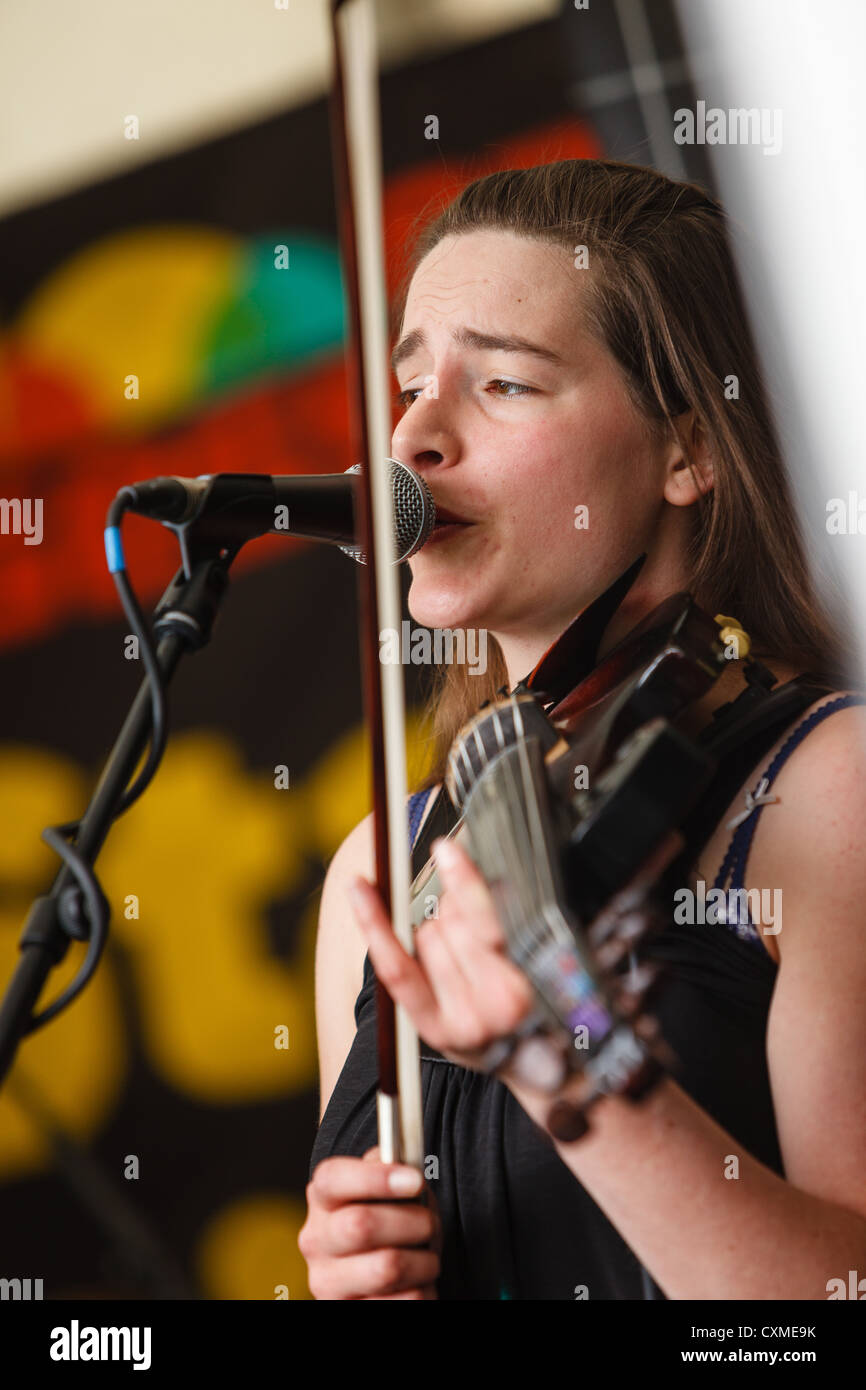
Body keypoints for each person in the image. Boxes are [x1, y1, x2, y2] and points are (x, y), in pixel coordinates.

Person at [298, 158, 866, 1300]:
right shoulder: (379, 863)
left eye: (502, 384)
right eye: (408, 384)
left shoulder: (826, 791)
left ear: (687, 449)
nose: (414, 438)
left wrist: (569, 1067)